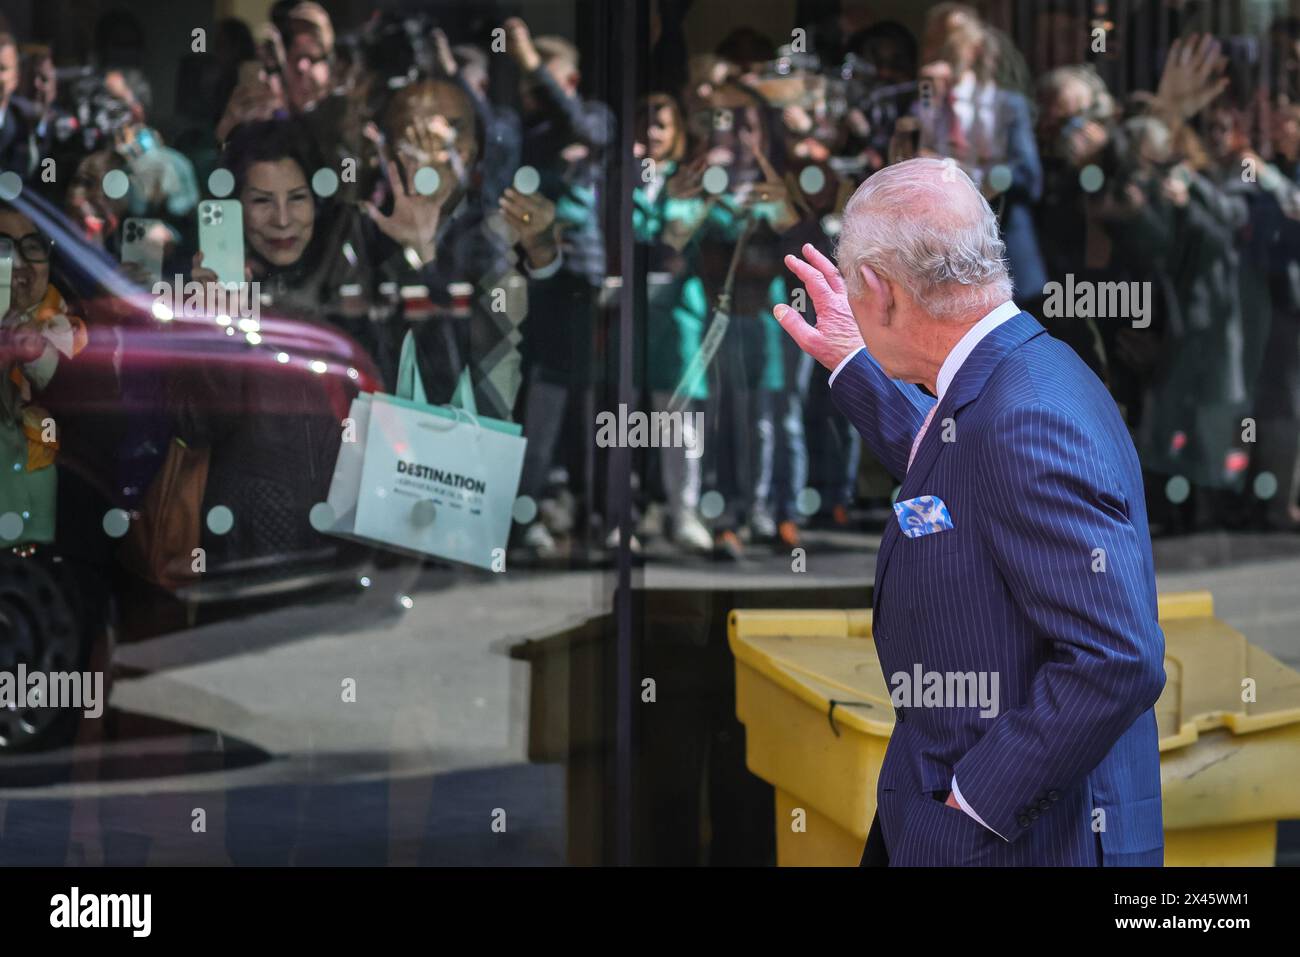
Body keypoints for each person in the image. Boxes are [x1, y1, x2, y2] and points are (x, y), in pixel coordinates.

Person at [773, 158, 1166, 866]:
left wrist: (976, 799)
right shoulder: (1025, 372)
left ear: (879, 290)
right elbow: (957, 456)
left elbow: (1118, 658)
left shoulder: (1027, 414)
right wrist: (853, 359)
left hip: (1026, 844)